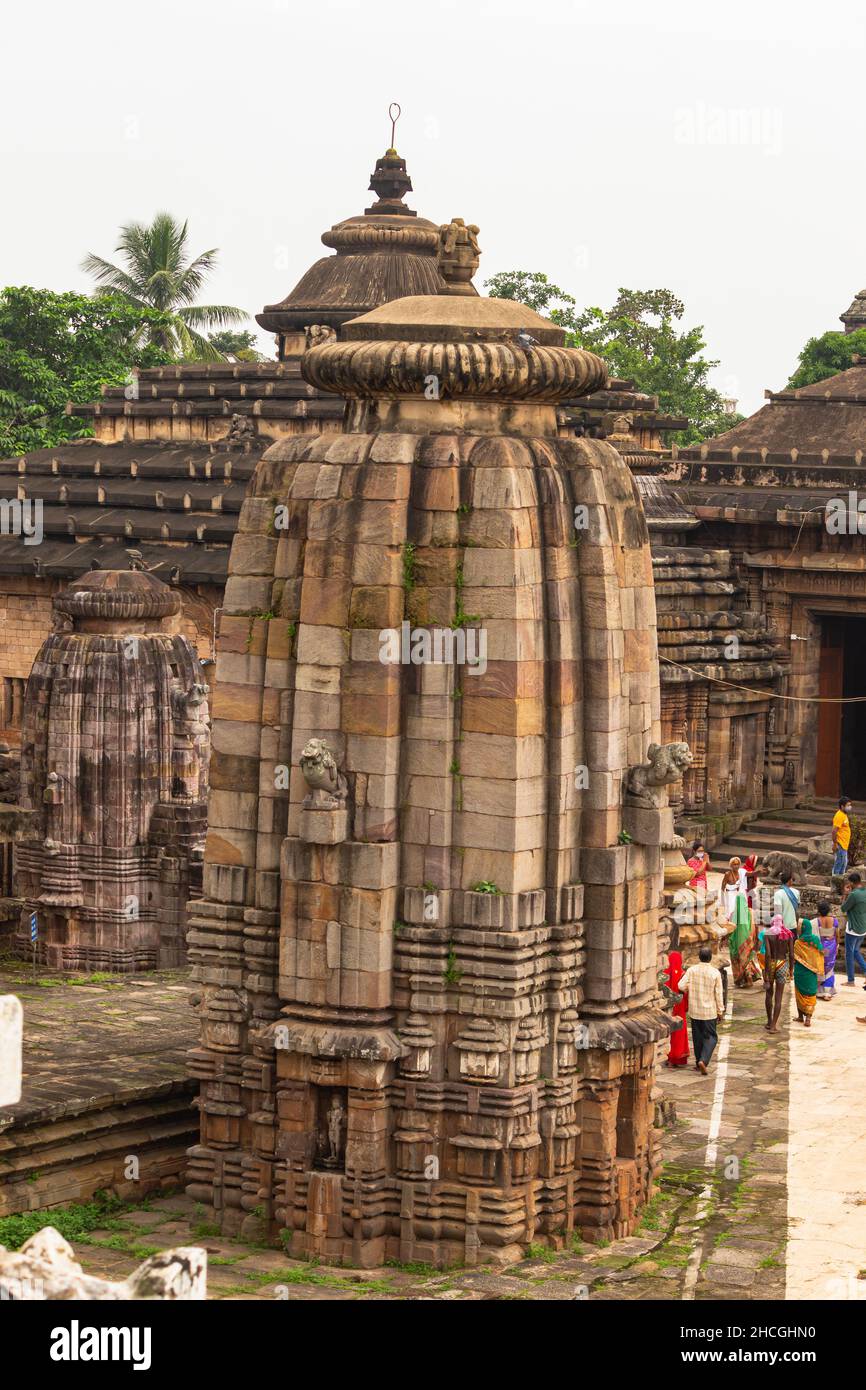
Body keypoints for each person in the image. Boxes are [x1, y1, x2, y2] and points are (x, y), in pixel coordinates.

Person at [679, 946, 725, 1075]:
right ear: (710, 958)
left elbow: (681, 985)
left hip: (695, 1010)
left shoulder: (692, 970)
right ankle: (703, 1061)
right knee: (711, 1037)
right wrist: (720, 1010)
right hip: (709, 1011)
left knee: (697, 1037)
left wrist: (690, 988)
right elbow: (718, 994)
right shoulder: (715, 973)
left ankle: (698, 1062)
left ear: (699, 957)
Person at [757, 914, 795, 1035]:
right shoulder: (788, 934)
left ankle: (768, 1022)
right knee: (778, 997)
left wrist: (767, 974)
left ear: (773, 922)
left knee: (769, 994)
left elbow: (767, 954)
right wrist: (791, 970)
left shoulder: (768, 934)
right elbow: (792, 955)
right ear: (782, 922)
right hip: (782, 964)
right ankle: (773, 1025)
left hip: (771, 964)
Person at [727, 889, 761, 987]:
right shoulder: (751, 912)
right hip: (748, 941)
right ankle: (748, 978)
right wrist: (756, 939)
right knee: (747, 960)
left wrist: (725, 939)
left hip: (737, 942)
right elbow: (756, 925)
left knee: (738, 960)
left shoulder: (734, 913)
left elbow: (730, 928)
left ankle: (741, 980)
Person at [793, 918, 824, 1027]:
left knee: (799, 993)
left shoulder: (798, 942)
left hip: (800, 972)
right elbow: (820, 952)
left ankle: (800, 1016)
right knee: (810, 993)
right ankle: (808, 1019)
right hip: (811, 973)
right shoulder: (815, 940)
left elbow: (794, 958)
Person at [662, 950, 690, 1067]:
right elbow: (685, 991)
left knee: (668, 1031)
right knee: (679, 1031)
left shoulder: (664, 974)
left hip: (667, 1005)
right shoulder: (683, 974)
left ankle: (668, 1055)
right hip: (680, 1004)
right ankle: (677, 1056)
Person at [841, 871, 866, 988]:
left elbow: (843, 908)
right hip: (863, 927)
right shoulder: (864, 892)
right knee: (856, 951)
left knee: (849, 954)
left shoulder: (854, 895)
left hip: (853, 928)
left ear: (851, 883)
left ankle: (851, 980)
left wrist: (845, 894)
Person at [814, 899, 839, 999]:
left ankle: (818, 990)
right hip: (831, 946)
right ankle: (827, 992)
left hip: (821, 946)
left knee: (820, 966)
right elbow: (837, 935)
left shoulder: (817, 921)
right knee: (830, 968)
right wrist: (836, 946)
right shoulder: (834, 920)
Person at [832, 797, 853, 877]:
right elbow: (834, 831)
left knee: (843, 865)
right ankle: (835, 883)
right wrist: (835, 844)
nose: (850, 807)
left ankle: (840, 883)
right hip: (840, 844)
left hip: (844, 845)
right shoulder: (839, 816)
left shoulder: (844, 815)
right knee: (839, 864)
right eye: (848, 805)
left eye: (850, 805)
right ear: (842, 806)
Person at [721, 857, 747, 922]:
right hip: (729, 895)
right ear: (731, 865)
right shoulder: (727, 874)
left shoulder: (740, 873)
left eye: (738, 864)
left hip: (736, 894)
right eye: (734, 864)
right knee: (730, 912)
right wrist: (722, 899)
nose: (736, 866)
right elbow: (722, 886)